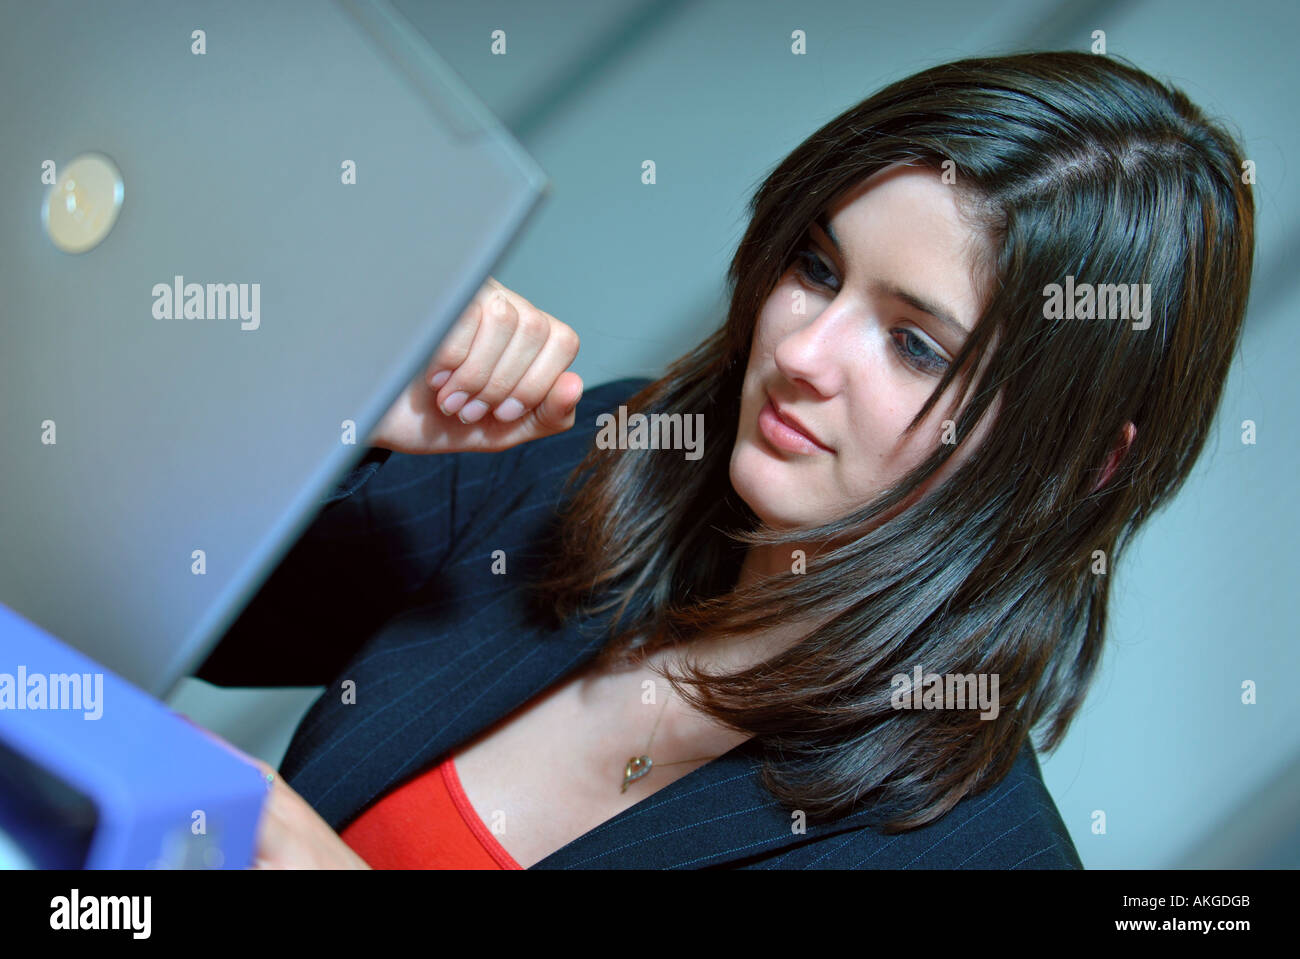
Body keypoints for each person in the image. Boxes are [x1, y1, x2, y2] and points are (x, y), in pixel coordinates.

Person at [198, 49, 1254, 869]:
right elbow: (202, 612)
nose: (801, 351)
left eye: (913, 343)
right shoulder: (602, 452)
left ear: (1079, 464)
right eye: (816, 266)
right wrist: (358, 403)